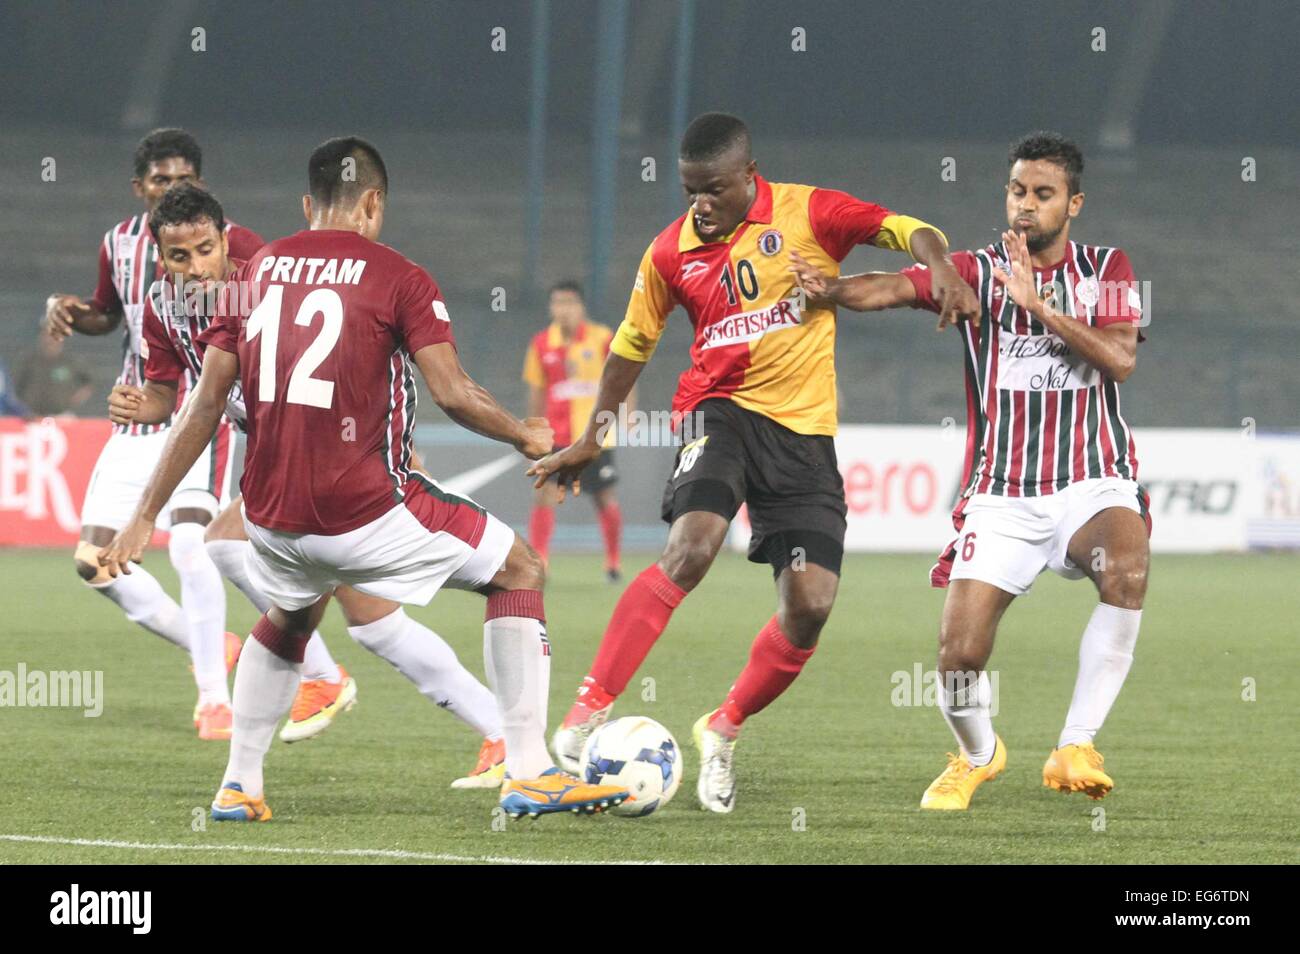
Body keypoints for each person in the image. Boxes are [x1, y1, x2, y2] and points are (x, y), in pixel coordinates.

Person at [99, 136, 627, 821]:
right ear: (374, 203)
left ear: (306, 205)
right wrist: (526, 433)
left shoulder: (254, 273)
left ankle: (239, 785)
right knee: (520, 569)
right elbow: (454, 393)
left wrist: (145, 515)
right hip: (363, 510)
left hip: (272, 519)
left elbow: (203, 404)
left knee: (288, 618)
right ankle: (528, 768)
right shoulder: (398, 276)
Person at [530, 112, 977, 813]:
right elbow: (630, 347)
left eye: (712, 189)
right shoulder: (668, 254)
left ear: (748, 175)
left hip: (804, 441)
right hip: (720, 412)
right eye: (688, 191)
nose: (699, 204)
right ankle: (584, 715)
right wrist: (594, 435)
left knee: (810, 606)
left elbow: (909, 228)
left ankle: (724, 727)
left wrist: (941, 264)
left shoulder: (810, 211)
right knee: (693, 545)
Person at [789, 131, 1149, 810]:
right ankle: (978, 754)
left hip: (1091, 479)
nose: (1025, 205)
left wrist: (1038, 305)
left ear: (1074, 203)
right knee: (957, 657)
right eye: (1017, 191)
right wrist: (831, 289)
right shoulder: (974, 270)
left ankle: (1076, 743)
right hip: (1002, 493)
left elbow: (1121, 358)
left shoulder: (1109, 268)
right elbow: (895, 285)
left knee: (1126, 567)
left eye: (1043, 194)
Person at [111, 182, 505, 784]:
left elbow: (354, 368)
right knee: (374, 623)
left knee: (225, 544)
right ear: (159, 258)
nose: (195, 268)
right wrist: (148, 405)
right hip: (288, 470)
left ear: (226, 242)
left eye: (205, 250)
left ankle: (321, 680)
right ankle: (497, 731)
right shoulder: (164, 307)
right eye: (178, 257)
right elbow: (180, 396)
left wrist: (403, 459)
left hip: (338, 464)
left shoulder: (268, 282)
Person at [43, 128, 263, 735]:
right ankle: (212, 644)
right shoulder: (117, 243)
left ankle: (216, 700)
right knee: (94, 563)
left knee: (192, 546)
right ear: (140, 187)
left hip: (203, 410)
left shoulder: (232, 240)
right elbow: (108, 314)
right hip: (143, 409)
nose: (174, 187)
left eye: (185, 178)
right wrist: (71, 311)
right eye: (162, 180)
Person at [522, 280, 627, 580]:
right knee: (544, 494)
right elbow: (536, 391)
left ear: (581, 306)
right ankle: (541, 562)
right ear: (550, 307)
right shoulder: (541, 343)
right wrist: (531, 432)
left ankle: (613, 563)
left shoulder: (603, 337)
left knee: (604, 496)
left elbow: (622, 375)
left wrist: (628, 414)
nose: (563, 309)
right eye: (557, 302)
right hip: (555, 436)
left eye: (569, 302)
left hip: (595, 435)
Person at [15, 333, 93, 416]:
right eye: (46, 335)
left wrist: (75, 399)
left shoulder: (70, 362)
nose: (50, 340)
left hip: (62, 415)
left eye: (53, 336)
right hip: (32, 415)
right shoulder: (30, 361)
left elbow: (88, 383)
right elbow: (17, 385)